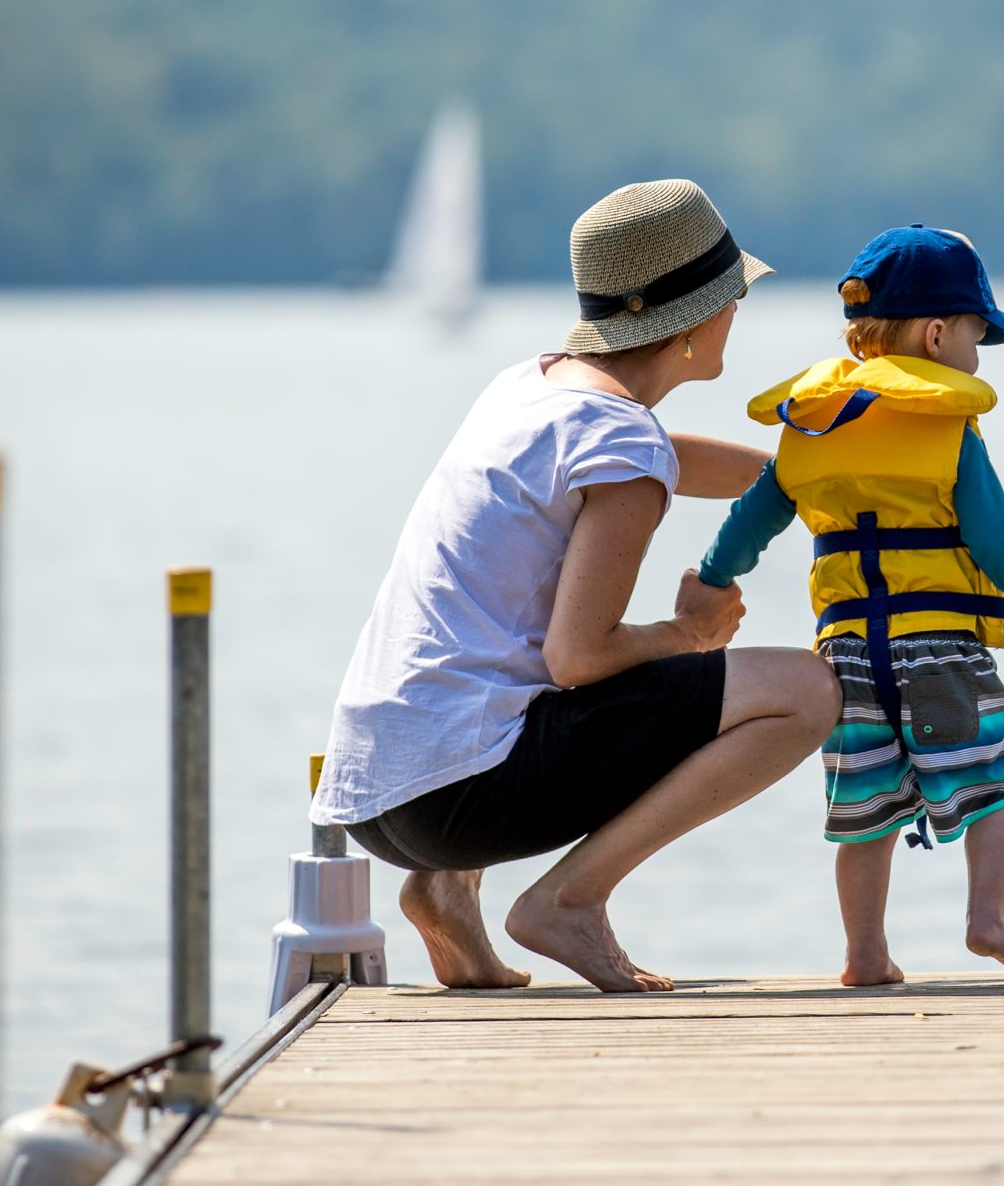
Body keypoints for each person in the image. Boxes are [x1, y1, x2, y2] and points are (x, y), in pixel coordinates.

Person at [312, 179, 840, 994]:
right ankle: (569, 898)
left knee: (493, 658)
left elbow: (662, 454)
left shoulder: (537, 384)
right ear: (696, 320)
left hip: (378, 791)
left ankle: (448, 890)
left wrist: (801, 479)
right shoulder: (623, 449)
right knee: (808, 690)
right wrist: (686, 634)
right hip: (458, 793)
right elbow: (579, 658)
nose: (740, 309)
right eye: (736, 294)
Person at [697, 224, 1004, 986]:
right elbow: (996, 541)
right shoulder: (946, 427)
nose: (978, 359)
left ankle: (864, 952)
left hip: (848, 657)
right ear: (937, 331)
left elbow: (750, 521)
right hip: (943, 649)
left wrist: (713, 579)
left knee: (865, 810)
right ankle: (986, 917)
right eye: (978, 339)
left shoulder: (810, 424)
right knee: (996, 780)